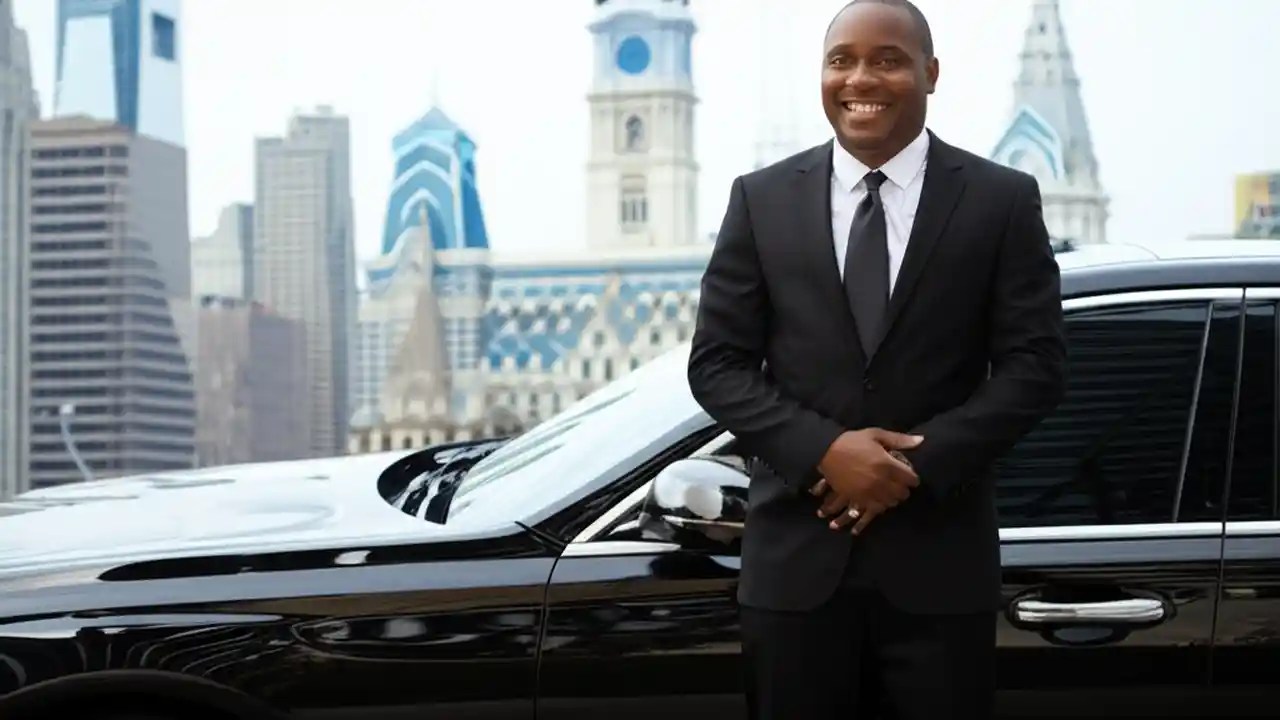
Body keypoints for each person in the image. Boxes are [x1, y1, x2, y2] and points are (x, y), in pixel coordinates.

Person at [686, 0, 1068, 717]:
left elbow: (1036, 367)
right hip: (794, 575)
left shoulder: (1000, 200)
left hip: (939, 573)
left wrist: (910, 467)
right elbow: (717, 365)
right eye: (842, 60)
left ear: (930, 73)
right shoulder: (760, 200)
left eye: (888, 59)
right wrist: (826, 451)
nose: (861, 78)